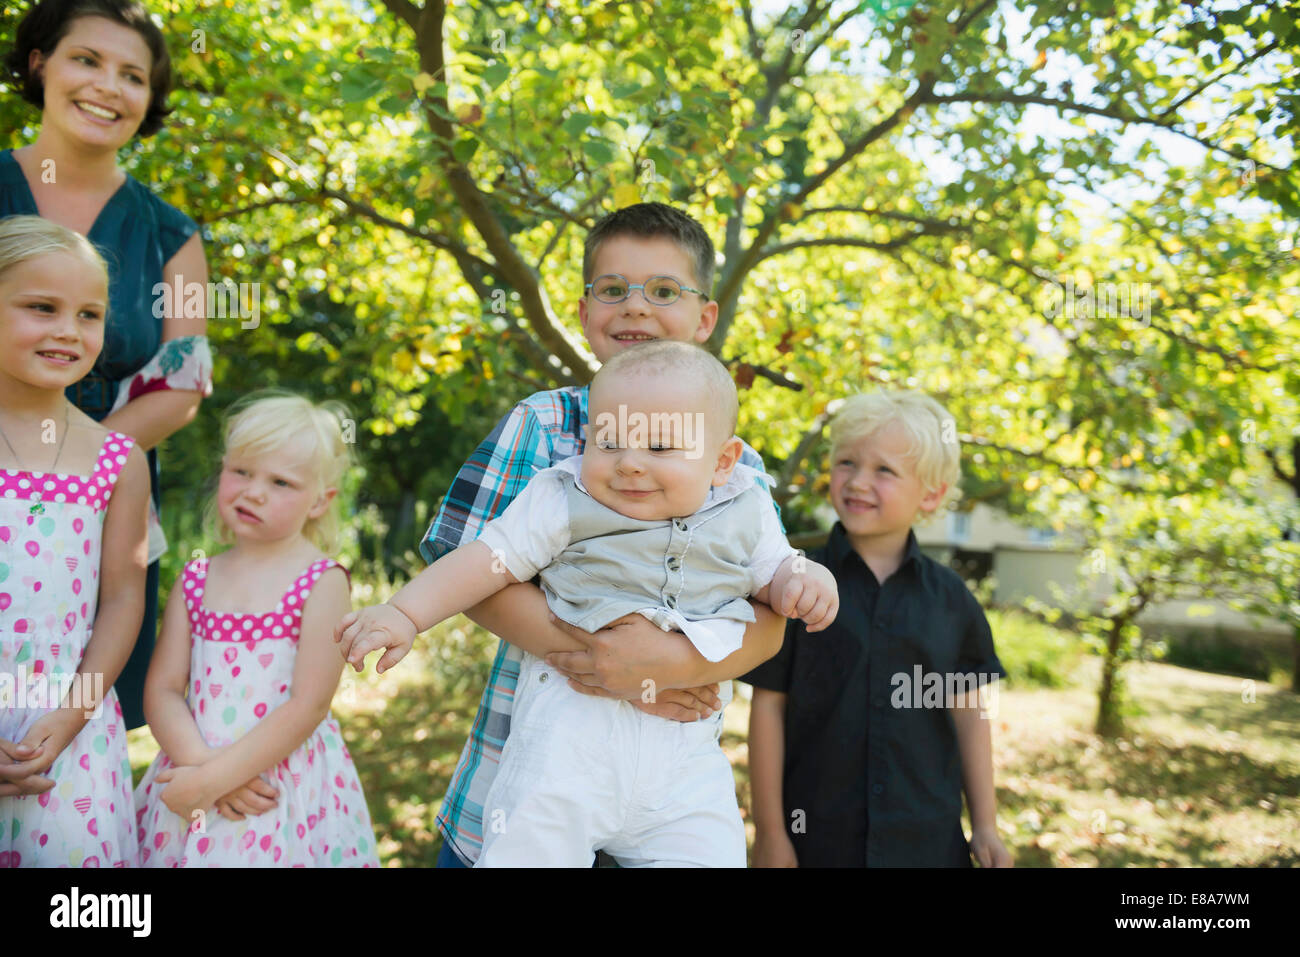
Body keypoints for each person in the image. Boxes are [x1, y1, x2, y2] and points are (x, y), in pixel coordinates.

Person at [339, 342, 838, 865]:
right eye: (611, 441)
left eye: (661, 449)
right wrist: (404, 613)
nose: (629, 465)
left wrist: (806, 578)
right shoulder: (562, 497)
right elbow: (486, 559)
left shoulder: (747, 507)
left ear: (721, 462)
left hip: (685, 764)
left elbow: (778, 573)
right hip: (568, 744)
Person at [414, 203, 790, 867]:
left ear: (706, 317)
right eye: (612, 289)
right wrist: (613, 666)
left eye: (665, 291)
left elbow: (770, 620)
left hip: (668, 793)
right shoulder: (544, 423)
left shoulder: (738, 467)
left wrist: (675, 668)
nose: (636, 308)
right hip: (527, 784)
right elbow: (467, 569)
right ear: (585, 313)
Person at [2, 0, 212, 731]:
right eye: (86, 60)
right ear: (39, 64)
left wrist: (73, 469)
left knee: (78, 722)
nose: (108, 86)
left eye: (132, 74)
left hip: (107, 500)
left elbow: (181, 381)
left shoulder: (174, 235)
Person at [745, 390, 1014, 867]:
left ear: (930, 494)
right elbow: (768, 710)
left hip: (927, 844)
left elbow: (972, 718)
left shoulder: (953, 601)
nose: (858, 482)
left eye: (884, 470)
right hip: (817, 841)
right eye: (847, 462)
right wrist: (770, 833)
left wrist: (987, 825)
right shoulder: (792, 586)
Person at [132, 393, 378, 867]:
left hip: (280, 787)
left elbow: (308, 705)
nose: (254, 491)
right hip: (191, 766)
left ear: (319, 502)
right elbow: (162, 689)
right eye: (241, 471)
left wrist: (217, 779)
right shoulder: (198, 576)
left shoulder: (322, 582)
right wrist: (204, 773)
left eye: (281, 482)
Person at [0, 215, 151, 867]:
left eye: (89, 314)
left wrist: (70, 716)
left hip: (68, 730)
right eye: (41, 307)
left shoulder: (117, 460)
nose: (68, 329)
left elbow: (122, 601)